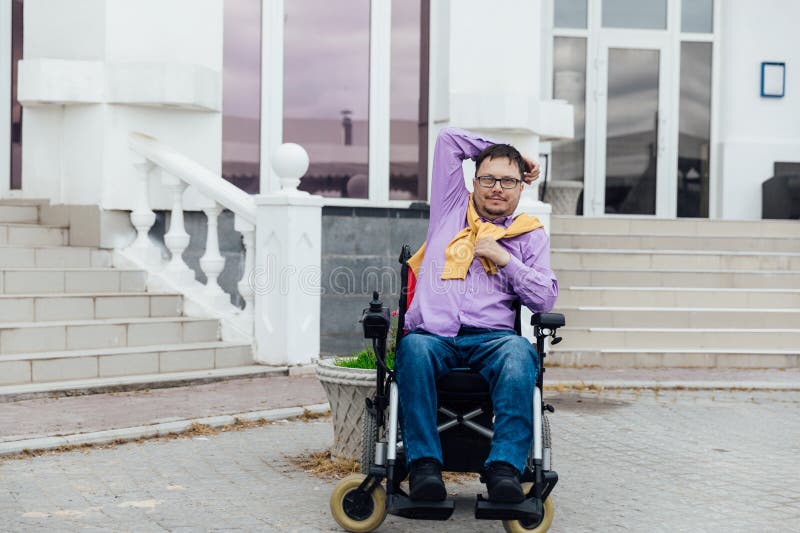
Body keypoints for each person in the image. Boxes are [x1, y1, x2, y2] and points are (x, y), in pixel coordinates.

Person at [397, 127, 558, 504]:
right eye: (488, 178)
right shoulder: (451, 207)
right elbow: (449, 139)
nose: (497, 187)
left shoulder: (529, 236)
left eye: (508, 180)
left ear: (521, 189)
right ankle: (423, 466)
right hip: (434, 336)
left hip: (493, 339)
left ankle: (504, 468)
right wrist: (517, 155)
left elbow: (545, 300)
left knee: (521, 354)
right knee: (414, 351)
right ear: (473, 182)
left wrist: (506, 260)